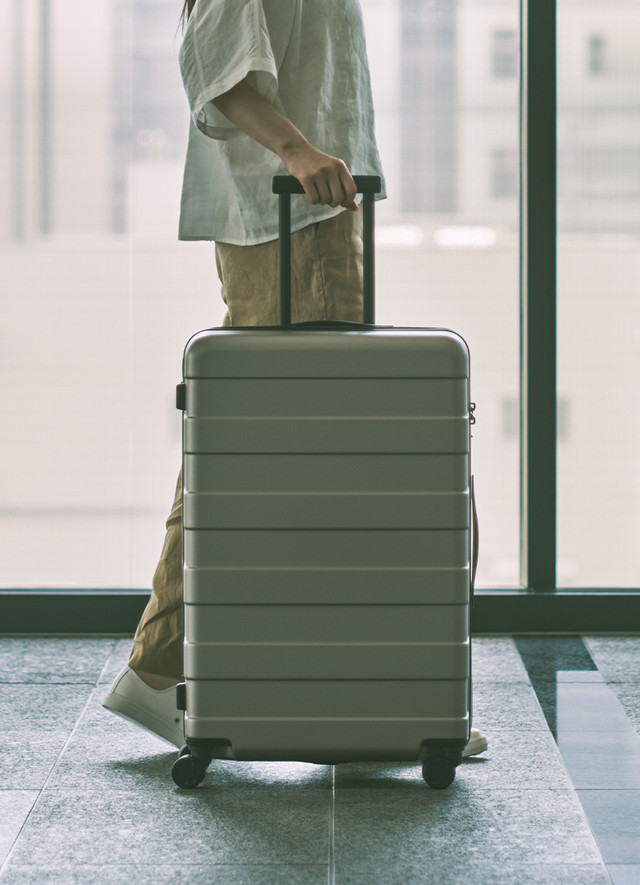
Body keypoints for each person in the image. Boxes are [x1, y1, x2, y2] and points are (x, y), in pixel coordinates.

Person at [102, 0, 487, 761]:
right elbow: (215, 69)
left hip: (315, 212)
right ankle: (178, 666)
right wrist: (299, 150)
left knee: (267, 447)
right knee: (297, 453)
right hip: (293, 216)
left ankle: (307, 687)